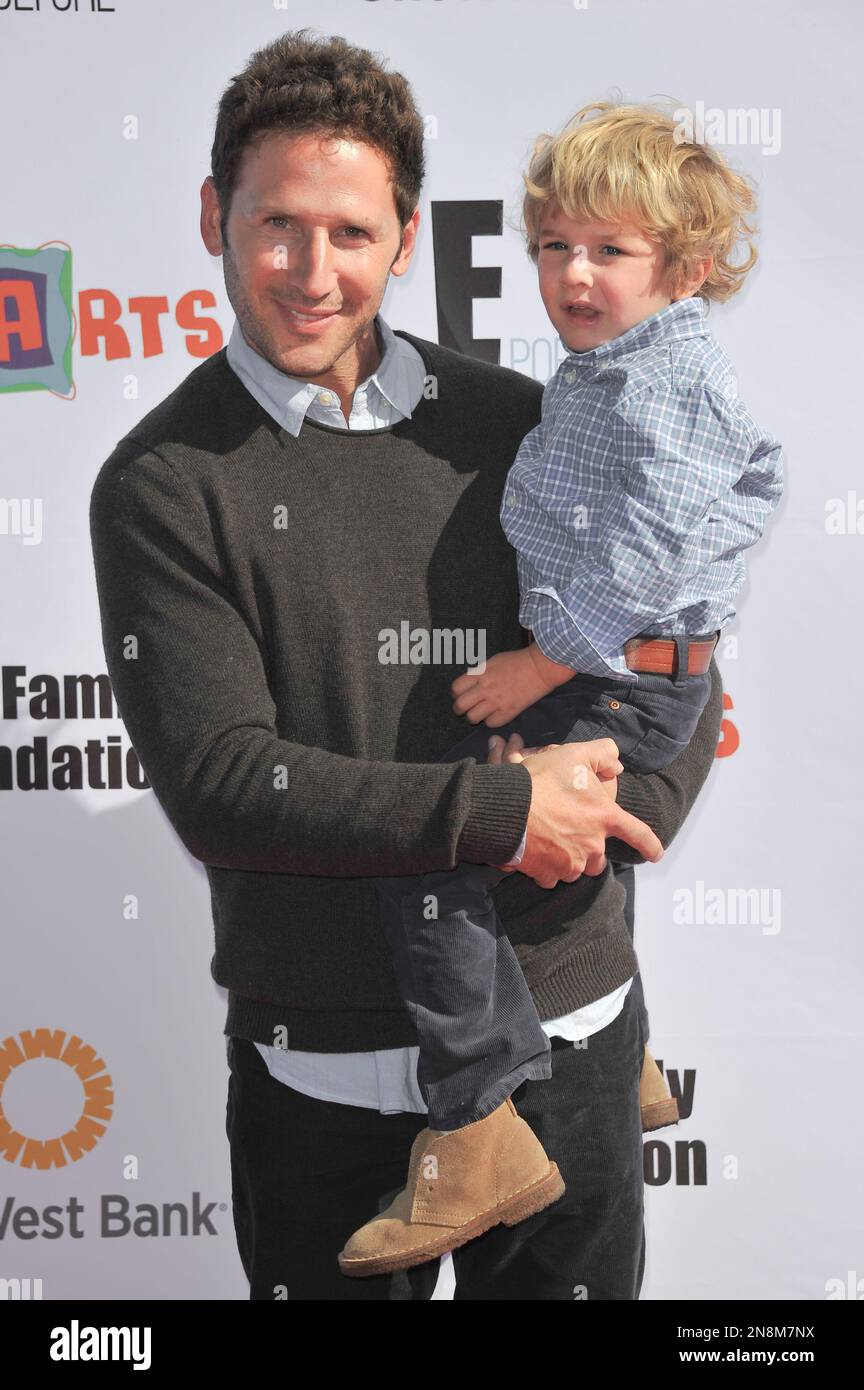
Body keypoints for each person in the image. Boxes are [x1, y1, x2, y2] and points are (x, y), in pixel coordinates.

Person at [88, 30, 724, 1301]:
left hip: (568, 1044)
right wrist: (504, 811)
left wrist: (614, 820)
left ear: (406, 235)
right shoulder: (162, 485)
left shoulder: (520, 427)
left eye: (351, 233)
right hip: (323, 1077)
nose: (311, 272)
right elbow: (221, 781)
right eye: (276, 225)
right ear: (215, 215)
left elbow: (672, 642)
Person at [343, 101, 784, 1275]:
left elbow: (648, 549)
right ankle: (616, 1050)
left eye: (610, 251)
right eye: (554, 247)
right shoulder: (612, 368)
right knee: (514, 825)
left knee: (439, 848)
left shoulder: (664, 378)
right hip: (616, 672)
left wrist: (546, 660)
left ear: (684, 267)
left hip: (618, 678)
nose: (573, 275)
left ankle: (482, 1123)